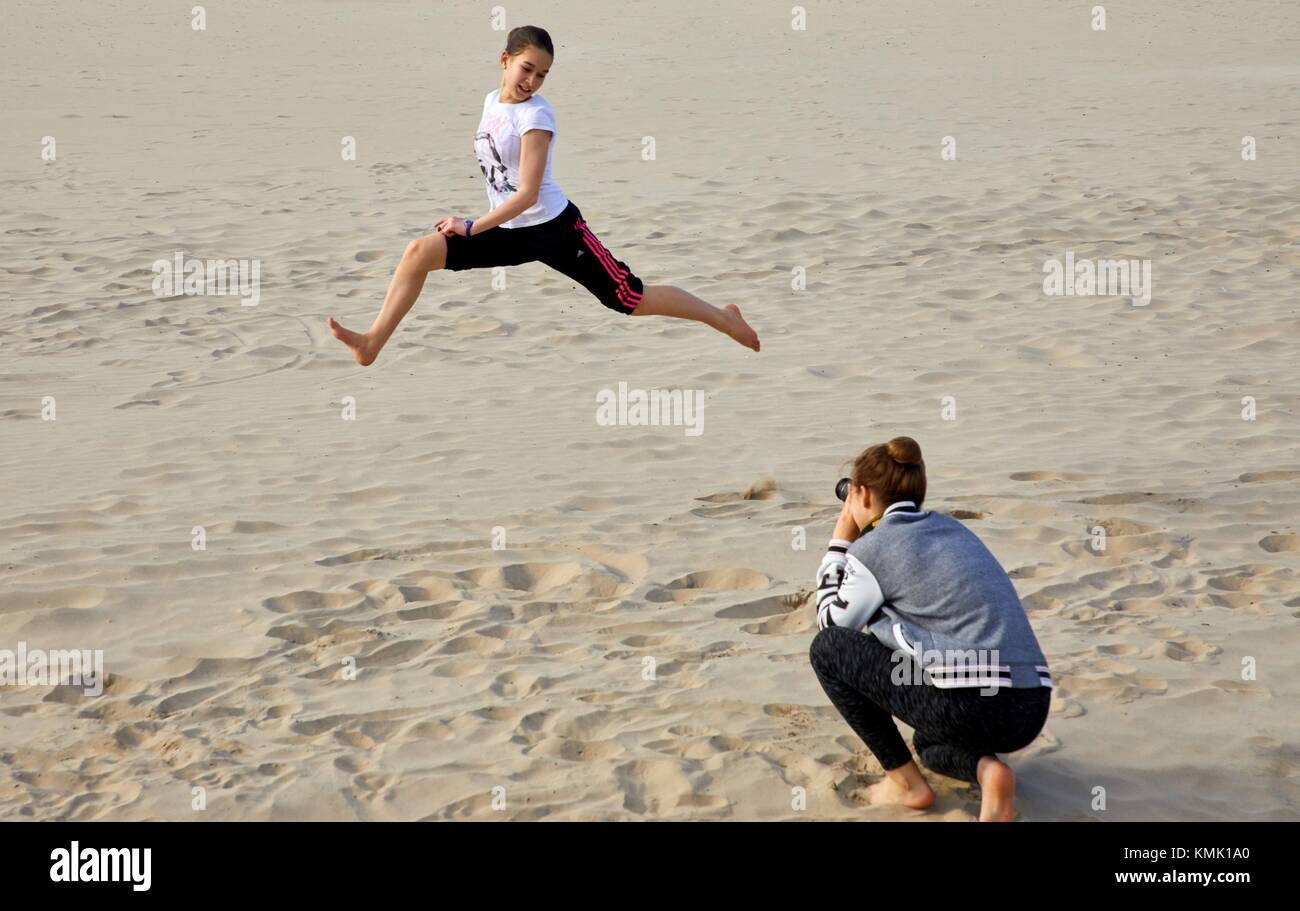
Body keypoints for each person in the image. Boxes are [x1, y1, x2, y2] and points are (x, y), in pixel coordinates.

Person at [328, 24, 760, 366]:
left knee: (630, 299)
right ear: (505, 60)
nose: (532, 81)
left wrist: (471, 226)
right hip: (508, 228)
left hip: (553, 228)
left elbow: (529, 192)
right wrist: (478, 224)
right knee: (418, 253)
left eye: (541, 74)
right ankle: (370, 343)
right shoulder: (490, 102)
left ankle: (722, 318)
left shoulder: (537, 116)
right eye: (526, 69)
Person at [809, 436, 1053, 821]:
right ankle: (990, 773)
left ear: (862, 494)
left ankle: (905, 786)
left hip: (972, 705)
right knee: (929, 743)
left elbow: (830, 623)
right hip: (1031, 706)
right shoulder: (954, 531)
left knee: (827, 650)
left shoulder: (874, 549)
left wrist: (841, 539)